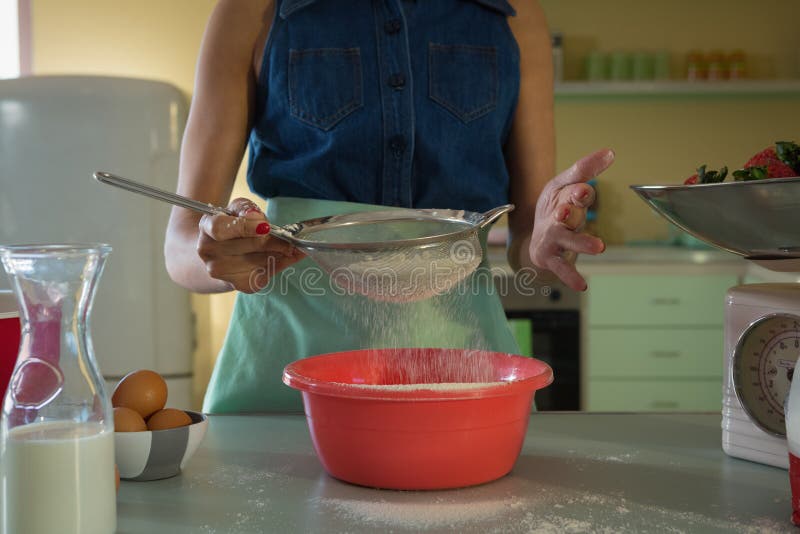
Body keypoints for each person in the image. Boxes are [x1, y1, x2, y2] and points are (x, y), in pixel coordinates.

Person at [165, 0, 614, 413]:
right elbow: (181, 246)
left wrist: (546, 247)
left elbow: (529, 250)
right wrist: (218, 255)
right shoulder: (252, 9)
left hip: (458, 376)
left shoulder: (516, 14)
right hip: (284, 372)